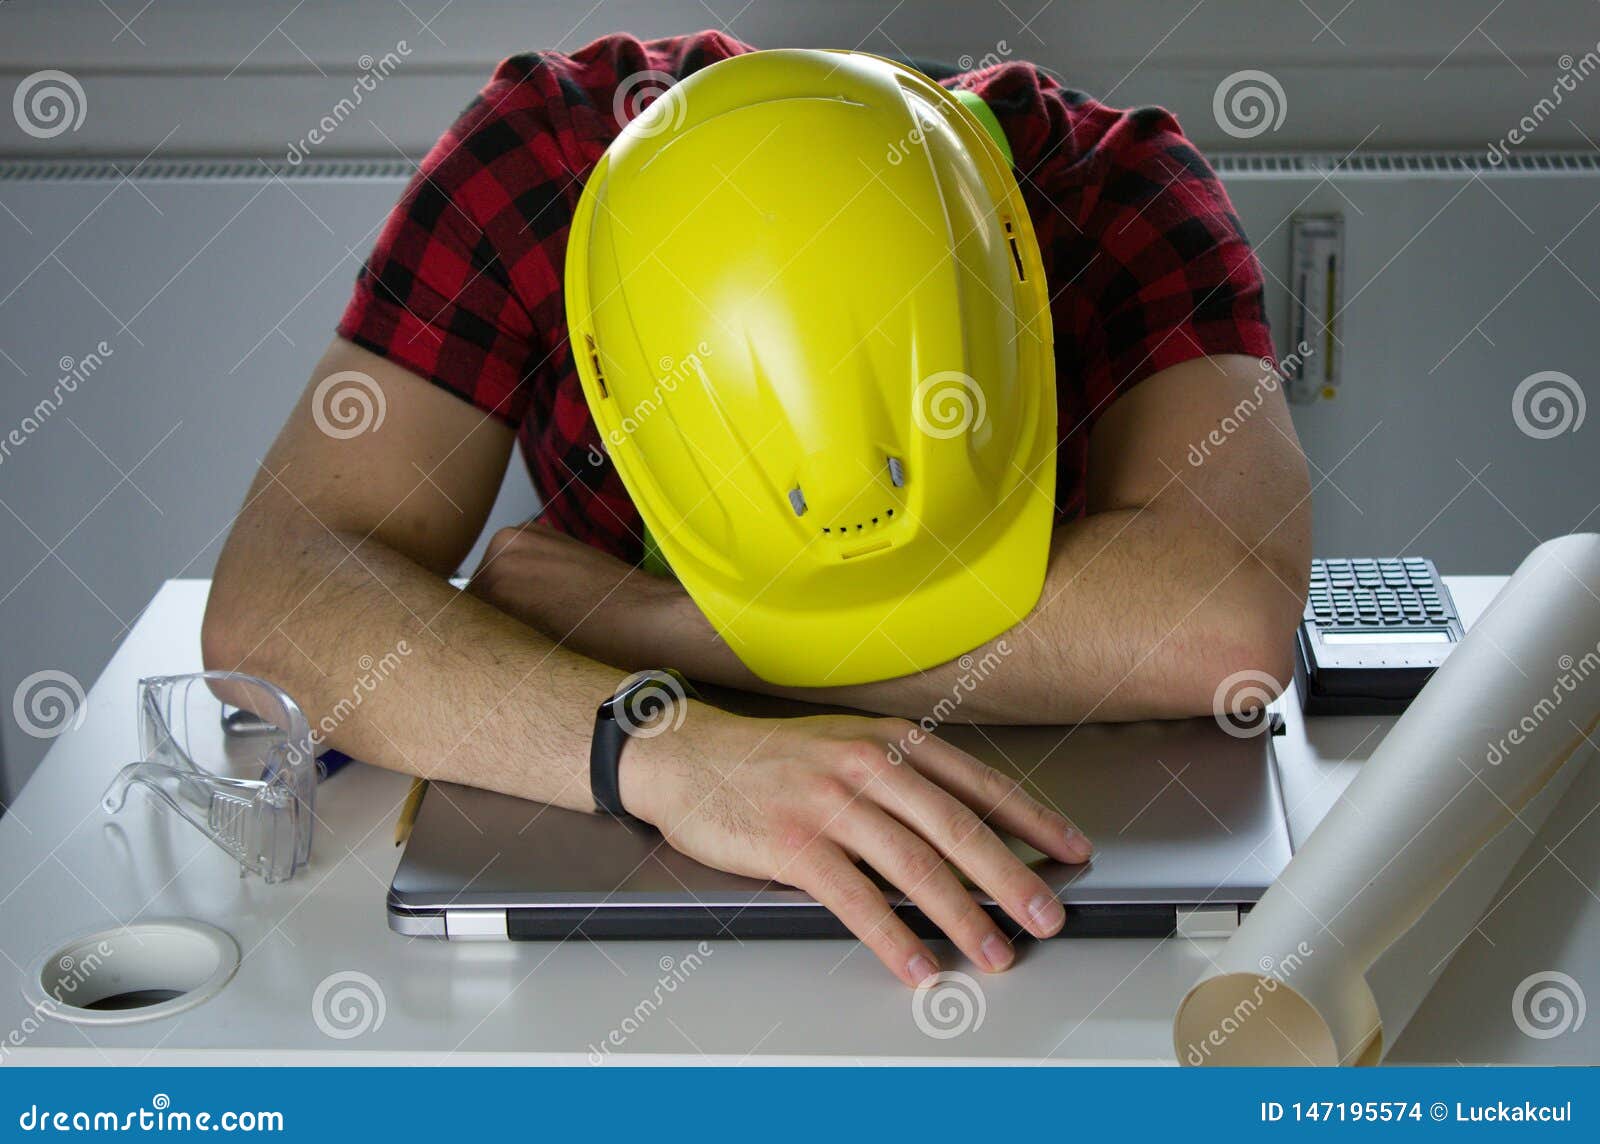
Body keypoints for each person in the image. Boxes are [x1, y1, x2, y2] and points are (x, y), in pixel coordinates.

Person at [202, 31, 1311, 985]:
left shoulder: (1117, 193)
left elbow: (1220, 628)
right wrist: (658, 750)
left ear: (1013, 281)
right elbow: (275, 606)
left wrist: (644, 626)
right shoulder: (537, 160)